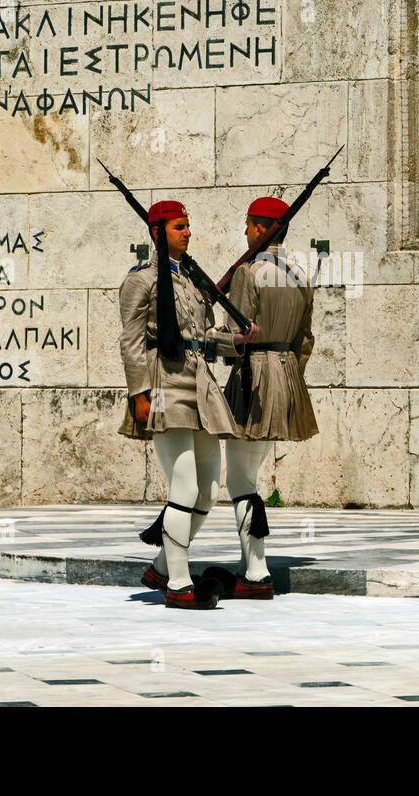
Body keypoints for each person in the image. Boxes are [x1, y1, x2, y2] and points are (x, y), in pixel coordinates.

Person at [118, 199, 260, 609]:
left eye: (188, 226)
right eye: (180, 226)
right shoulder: (140, 281)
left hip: (201, 384)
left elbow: (206, 334)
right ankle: (179, 584)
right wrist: (138, 394)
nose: (188, 232)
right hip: (166, 383)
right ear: (159, 232)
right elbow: (130, 341)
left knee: (209, 491)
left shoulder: (193, 280)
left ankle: (162, 565)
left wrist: (236, 339)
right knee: (183, 488)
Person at [205, 196, 318, 600]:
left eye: (249, 225)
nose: (245, 232)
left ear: (260, 229)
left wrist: (206, 342)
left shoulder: (249, 274)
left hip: (254, 377)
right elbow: (305, 340)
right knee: (249, 474)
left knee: (239, 478)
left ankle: (256, 570)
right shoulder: (301, 275)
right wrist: (288, 377)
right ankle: (252, 566)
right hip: (286, 377)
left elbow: (239, 337)